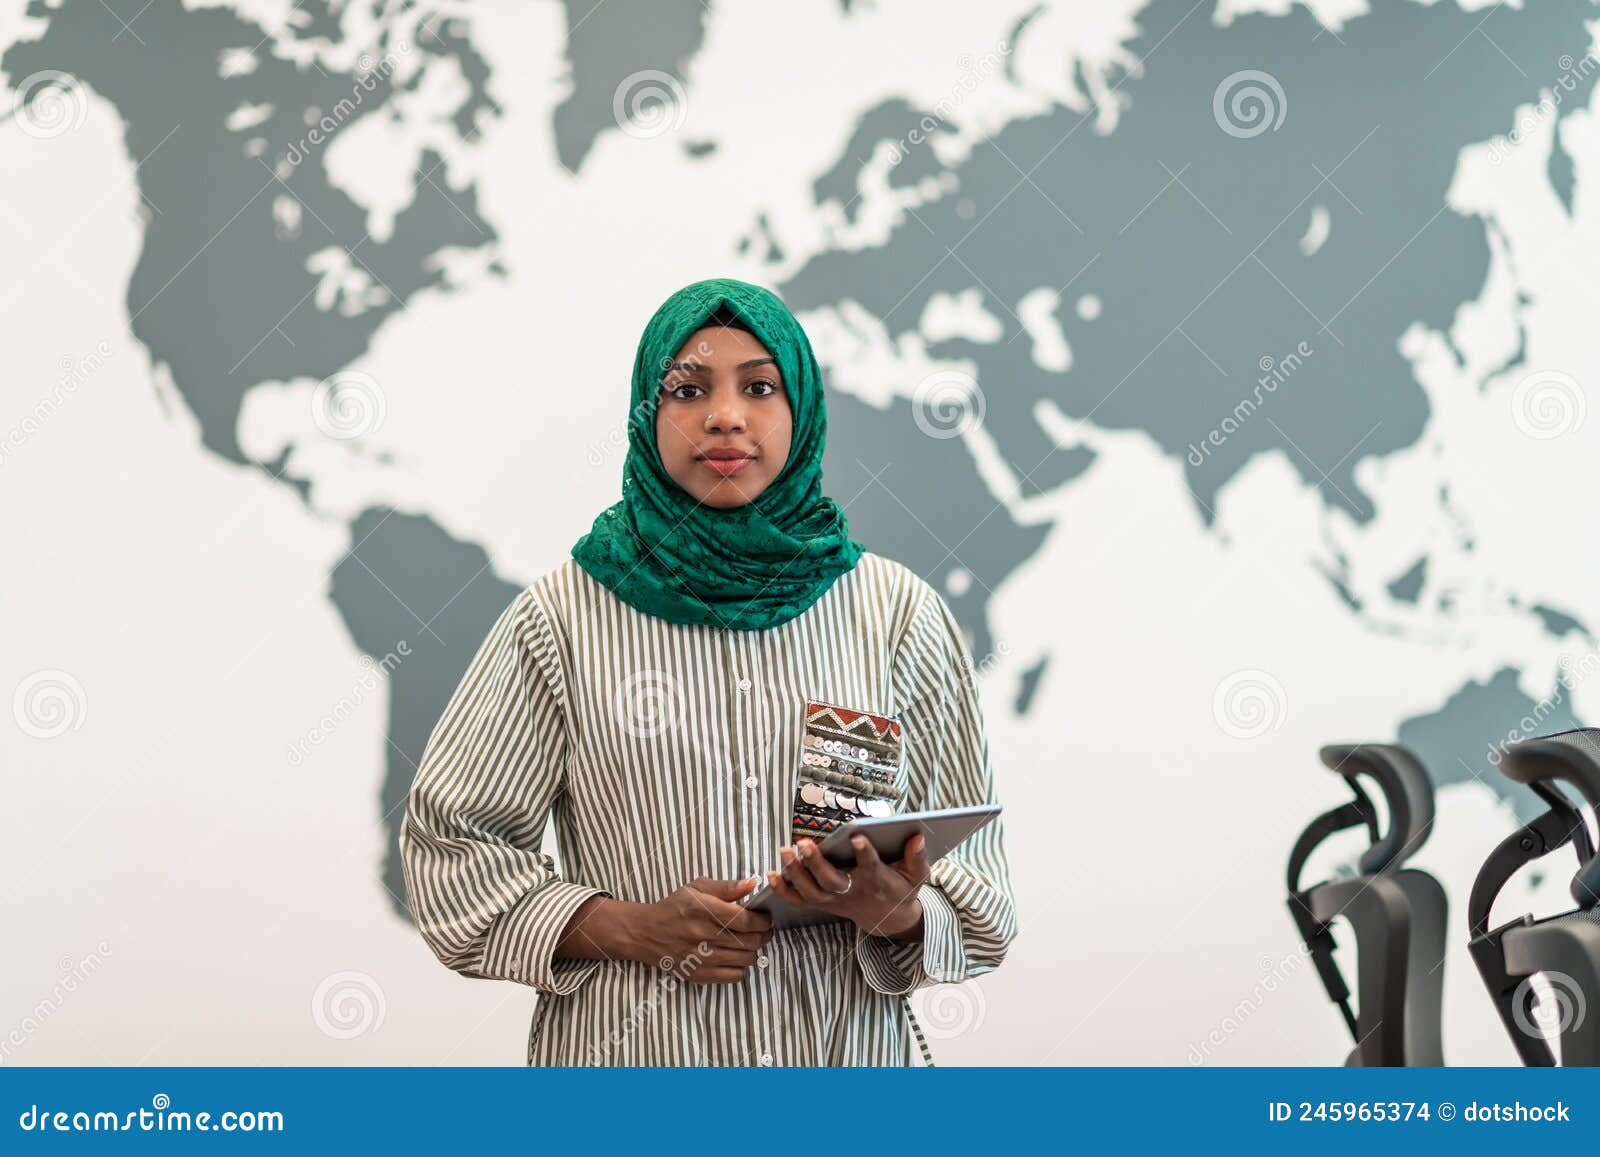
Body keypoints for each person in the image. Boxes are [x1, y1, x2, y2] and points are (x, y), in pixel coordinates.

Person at [399, 277, 1016, 1066]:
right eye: (687, 389)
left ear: (803, 410)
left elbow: (982, 898)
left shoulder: (897, 614)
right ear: (647, 416)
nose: (725, 415)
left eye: (760, 386)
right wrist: (629, 926)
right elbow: (451, 847)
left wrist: (892, 910)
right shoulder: (559, 618)